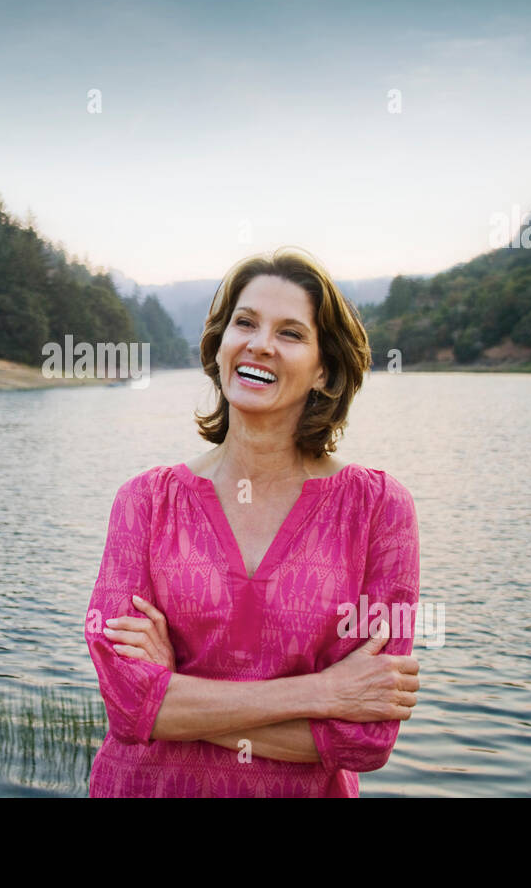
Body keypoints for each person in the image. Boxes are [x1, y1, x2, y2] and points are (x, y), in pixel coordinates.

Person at [84, 246, 421, 797]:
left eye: (291, 333)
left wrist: (175, 696)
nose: (260, 343)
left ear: (325, 371)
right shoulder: (144, 503)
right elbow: (127, 704)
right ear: (219, 346)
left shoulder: (378, 509)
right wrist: (324, 693)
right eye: (245, 322)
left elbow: (366, 735)